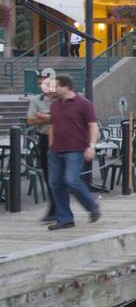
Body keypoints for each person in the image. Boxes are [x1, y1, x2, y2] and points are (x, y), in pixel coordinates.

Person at [46, 74, 101, 230]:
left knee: (71, 180)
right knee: (55, 184)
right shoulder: (54, 104)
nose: (54, 89)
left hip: (75, 149)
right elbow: (52, 125)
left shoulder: (83, 103)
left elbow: (93, 125)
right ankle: (65, 219)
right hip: (55, 150)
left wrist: (91, 146)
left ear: (66, 86)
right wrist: (50, 145)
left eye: (56, 86)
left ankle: (92, 206)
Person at [25, 79, 57, 221]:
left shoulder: (60, 99)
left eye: (45, 83)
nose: (42, 86)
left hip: (60, 138)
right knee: (48, 173)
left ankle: (59, 207)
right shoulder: (36, 101)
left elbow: (60, 118)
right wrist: (49, 118)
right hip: (43, 138)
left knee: (61, 175)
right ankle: (54, 207)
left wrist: (42, 116)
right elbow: (30, 121)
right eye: (40, 83)